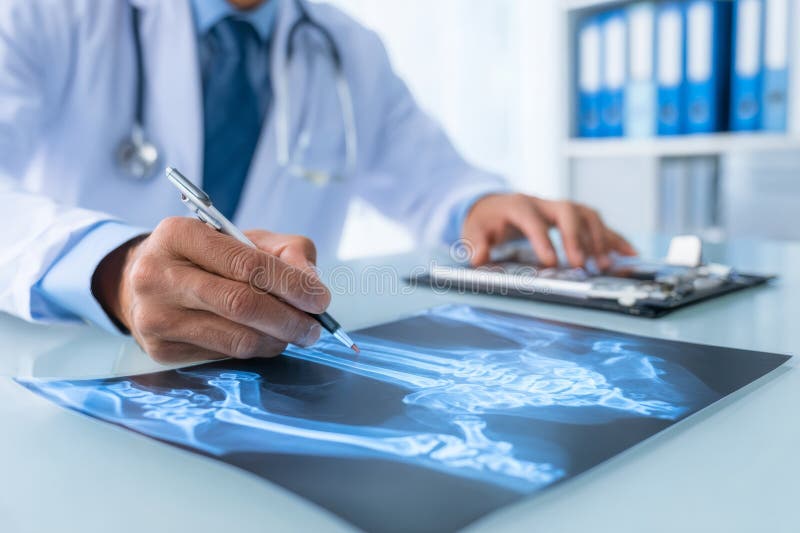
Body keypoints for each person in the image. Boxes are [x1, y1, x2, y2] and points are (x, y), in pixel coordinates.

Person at [0, 0, 635, 363]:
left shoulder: (346, 49)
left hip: (268, 379)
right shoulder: (47, 14)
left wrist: (481, 204)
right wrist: (113, 268)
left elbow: (430, 174)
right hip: (65, 369)